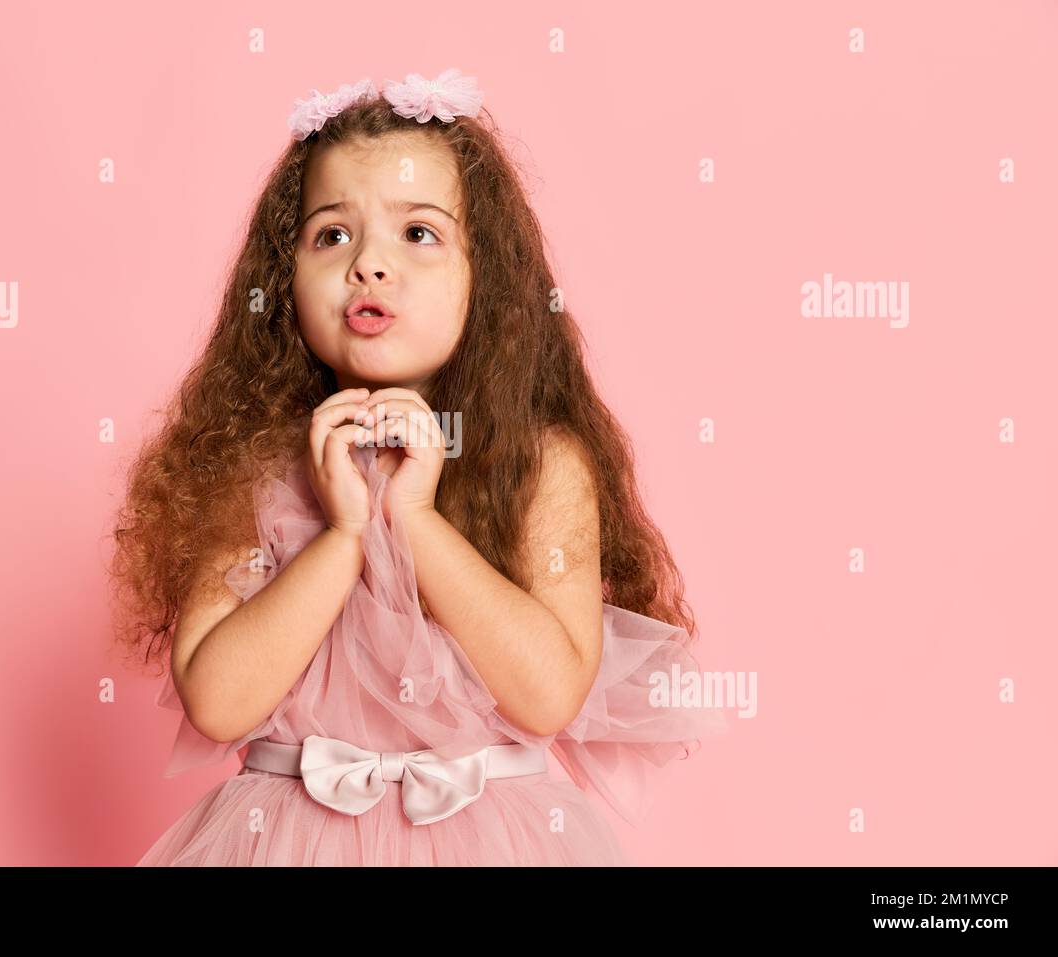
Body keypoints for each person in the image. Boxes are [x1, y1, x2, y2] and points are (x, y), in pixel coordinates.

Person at [111, 68, 726, 866]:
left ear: (487, 277)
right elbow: (220, 702)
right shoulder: (247, 464)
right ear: (282, 278)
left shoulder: (540, 462)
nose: (368, 264)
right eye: (332, 235)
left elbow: (547, 697)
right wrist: (345, 533)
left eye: (419, 233)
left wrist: (417, 519)